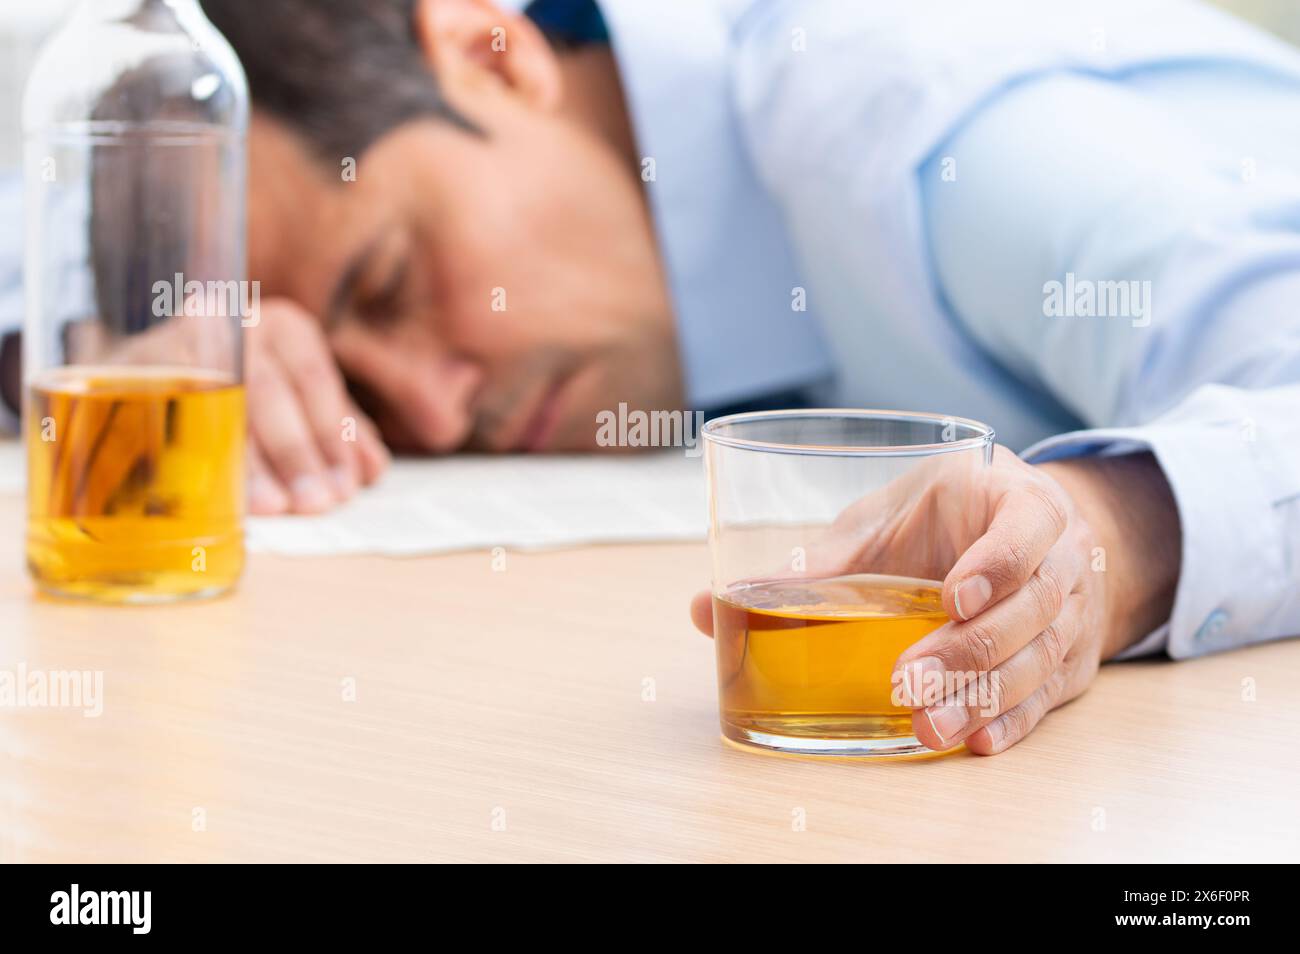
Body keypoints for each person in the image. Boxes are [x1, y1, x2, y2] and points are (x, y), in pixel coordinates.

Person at [2, 0, 1298, 754]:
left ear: (484, 49)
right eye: (365, 387)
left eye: (386, 281)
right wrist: (102, 341)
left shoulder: (901, 121)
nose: (439, 410)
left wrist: (1116, 533)